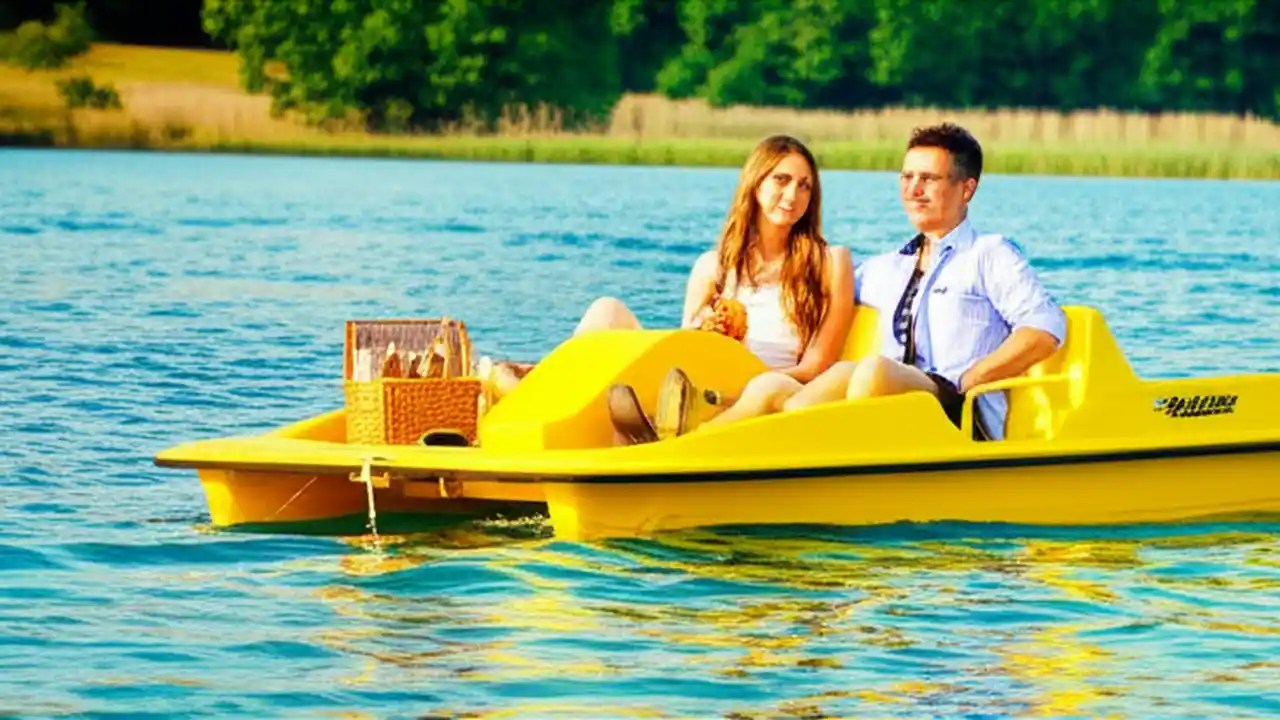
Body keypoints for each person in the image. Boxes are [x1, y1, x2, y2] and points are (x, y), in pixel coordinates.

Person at [783, 123, 1065, 440]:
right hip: (895, 402)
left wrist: (973, 378)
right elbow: (815, 287)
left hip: (957, 409)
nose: (913, 190)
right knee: (810, 395)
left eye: (928, 179)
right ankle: (791, 462)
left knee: (874, 370)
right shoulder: (887, 267)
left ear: (966, 189)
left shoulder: (988, 254)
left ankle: (851, 468)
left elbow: (1045, 327)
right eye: (907, 177)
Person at [603, 134, 855, 443]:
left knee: (767, 386)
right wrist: (704, 329)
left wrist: (739, 388)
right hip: (704, 377)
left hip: (769, 388)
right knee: (607, 312)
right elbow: (683, 349)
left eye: (804, 185)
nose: (792, 195)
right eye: (781, 180)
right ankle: (551, 395)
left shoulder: (830, 262)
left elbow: (817, 366)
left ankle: (679, 438)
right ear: (756, 183)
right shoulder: (714, 266)